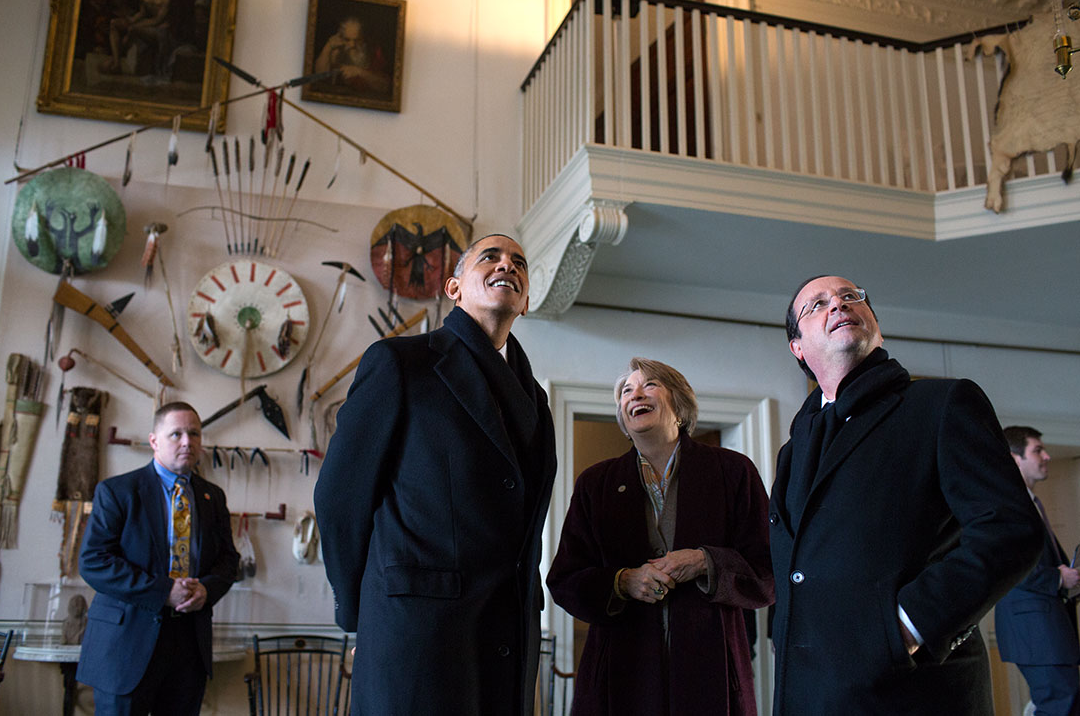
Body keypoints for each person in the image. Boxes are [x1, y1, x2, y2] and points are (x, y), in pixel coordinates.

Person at [769, 274, 1042, 715]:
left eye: (850, 296)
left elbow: (1009, 529)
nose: (839, 304)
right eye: (817, 304)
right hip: (810, 694)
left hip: (914, 693)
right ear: (797, 347)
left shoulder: (943, 403)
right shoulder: (793, 449)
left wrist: (908, 628)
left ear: (876, 326)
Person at [315, 234, 557, 715]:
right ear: (453, 288)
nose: (507, 265)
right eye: (490, 257)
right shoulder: (401, 363)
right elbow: (340, 497)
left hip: (508, 635)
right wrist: (362, 614)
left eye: (519, 263)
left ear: (527, 301)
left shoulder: (537, 400)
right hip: (416, 632)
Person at [547, 358, 774, 715]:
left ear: (679, 406)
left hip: (712, 677)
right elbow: (565, 580)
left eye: (650, 385)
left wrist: (705, 562)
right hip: (619, 682)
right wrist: (623, 581)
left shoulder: (733, 472)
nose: (635, 394)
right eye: (626, 391)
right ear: (623, 417)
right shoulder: (595, 484)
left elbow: (767, 571)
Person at [77, 401, 238, 715]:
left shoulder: (213, 497)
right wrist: (163, 591)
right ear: (154, 441)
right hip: (125, 647)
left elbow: (228, 560)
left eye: (194, 434)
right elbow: (94, 561)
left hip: (189, 646)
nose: (187, 442)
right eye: (176, 434)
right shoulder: (118, 491)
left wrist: (207, 590)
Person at [995, 426, 1080, 716]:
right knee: (1060, 704)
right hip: (1035, 627)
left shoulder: (1029, 502)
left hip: (1047, 625)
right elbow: (1006, 562)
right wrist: (1058, 577)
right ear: (1014, 458)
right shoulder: (1008, 503)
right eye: (1037, 450)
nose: (1047, 456)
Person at [313, 16, 392, 96]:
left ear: (363, 37)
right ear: (340, 38)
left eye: (357, 40)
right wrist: (328, 47)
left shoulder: (373, 51)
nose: (352, 45)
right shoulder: (336, 50)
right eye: (347, 40)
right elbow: (319, 76)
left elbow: (385, 87)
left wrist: (359, 72)